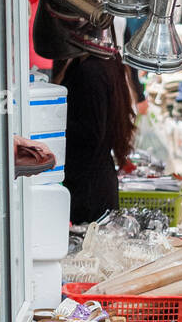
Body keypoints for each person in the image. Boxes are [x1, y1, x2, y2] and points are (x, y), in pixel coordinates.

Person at [53, 50, 136, 223]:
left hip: (88, 188)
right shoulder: (98, 63)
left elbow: (91, 132)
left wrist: (54, 119)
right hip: (92, 181)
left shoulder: (91, 71)